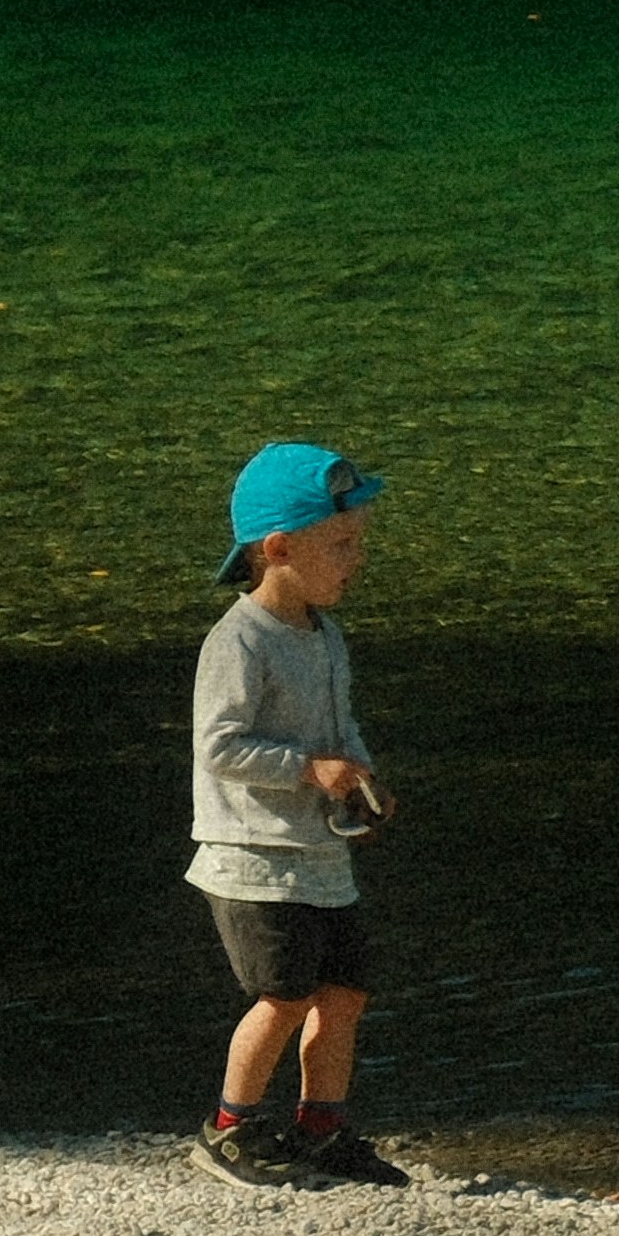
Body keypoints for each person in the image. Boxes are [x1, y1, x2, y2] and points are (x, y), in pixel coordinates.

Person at [187, 443, 409, 1193]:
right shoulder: (240, 640)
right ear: (279, 549)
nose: (357, 559)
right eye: (342, 544)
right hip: (253, 857)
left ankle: (323, 1127)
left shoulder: (325, 634)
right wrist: (308, 769)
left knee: (344, 991)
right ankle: (228, 1128)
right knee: (282, 994)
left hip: (319, 852)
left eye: (359, 543)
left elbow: (340, 728)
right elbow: (220, 748)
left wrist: (359, 777)